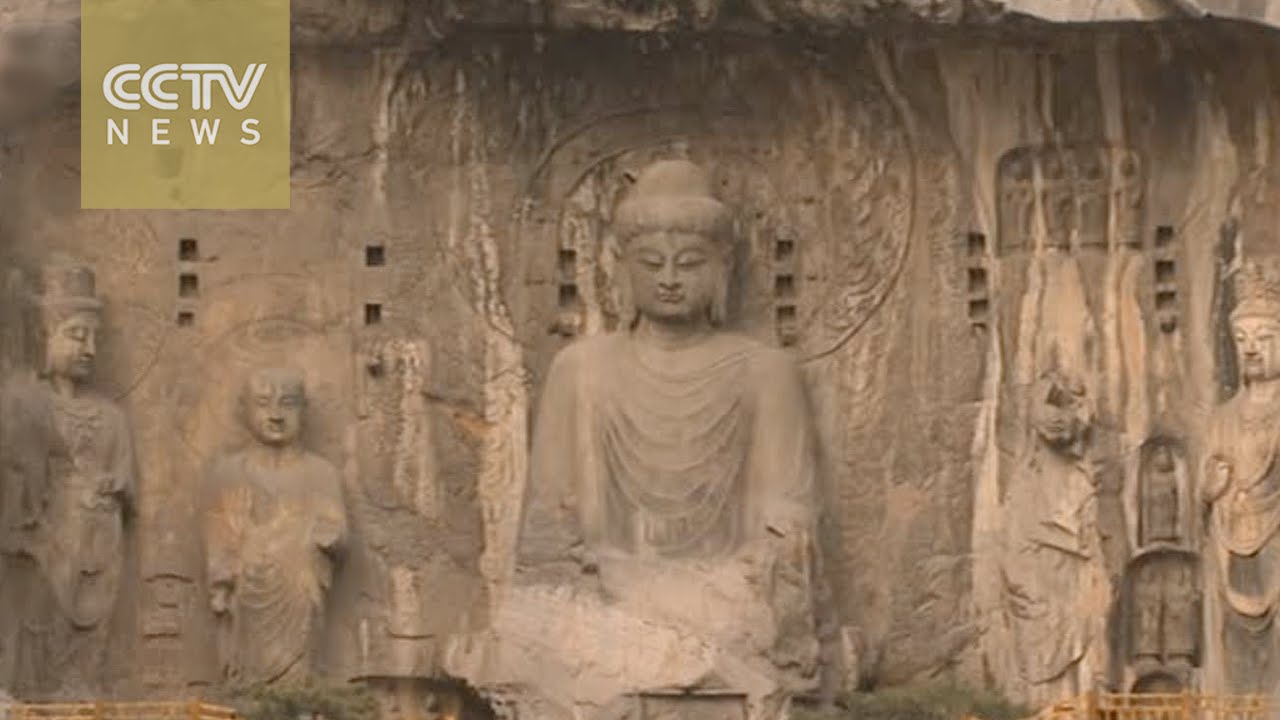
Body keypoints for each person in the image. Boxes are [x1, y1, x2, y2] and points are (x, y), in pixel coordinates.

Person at [202, 367, 347, 685]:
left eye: (288, 403)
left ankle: (296, 689)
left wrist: (300, 536)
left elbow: (335, 535)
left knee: (297, 680)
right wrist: (240, 546)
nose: (276, 415)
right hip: (248, 597)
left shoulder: (321, 473)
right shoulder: (229, 473)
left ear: (304, 410)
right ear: (244, 409)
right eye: (263, 403)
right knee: (247, 681)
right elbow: (219, 549)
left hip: (298, 598)